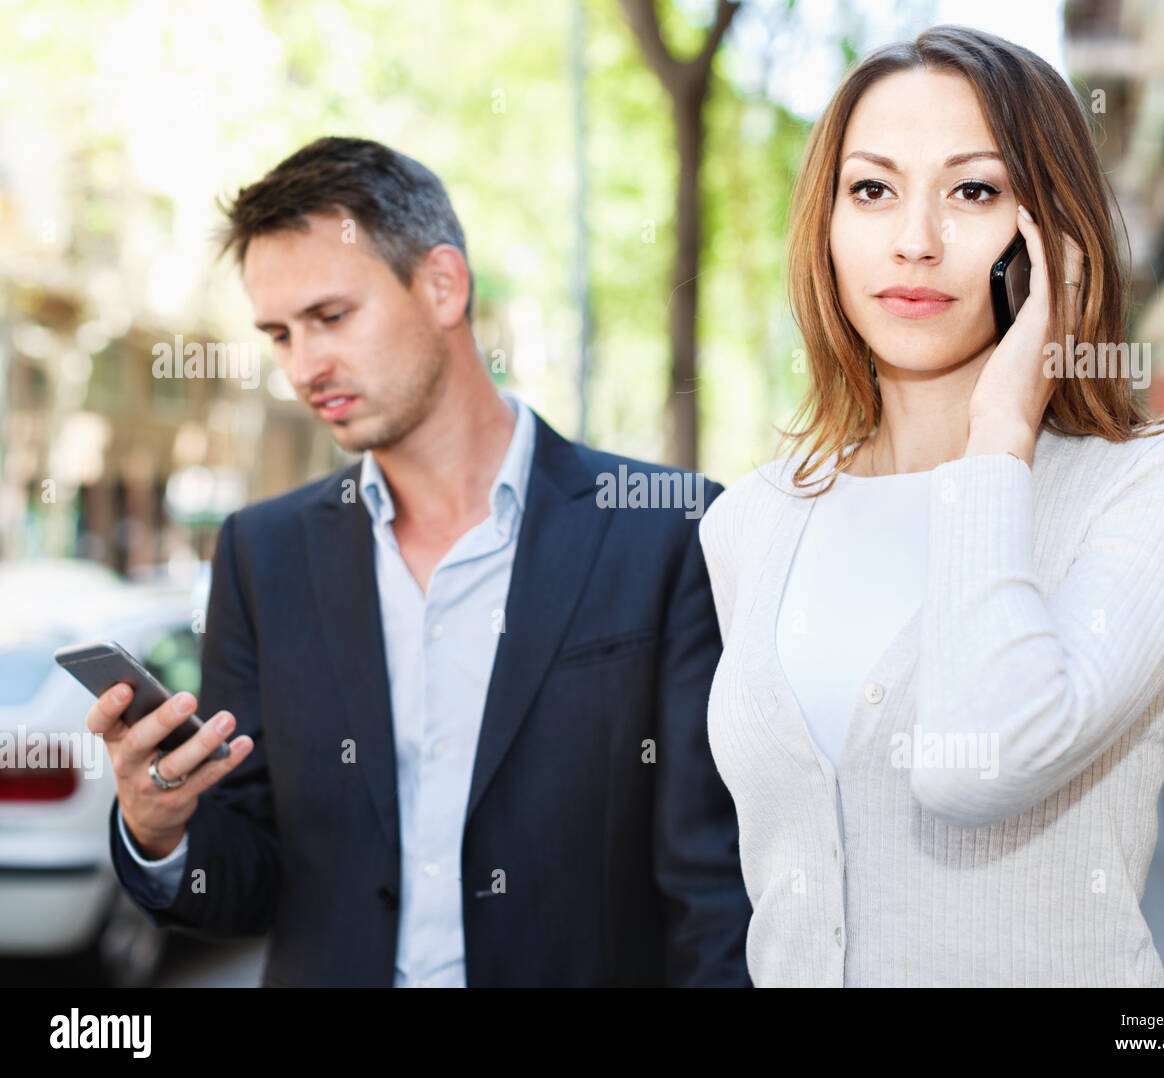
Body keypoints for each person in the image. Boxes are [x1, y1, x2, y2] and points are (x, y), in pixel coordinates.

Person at [85, 136, 751, 987]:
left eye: (331, 317)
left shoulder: (667, 531)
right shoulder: (263, 553)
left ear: (443, 284)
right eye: (279, 334)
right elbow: (247, 885)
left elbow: (711, 886)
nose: (304, 366)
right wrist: (161, 829)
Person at [698, 26, 1164, 987]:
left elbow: (978, 767)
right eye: (872, 190)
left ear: (1053, 239)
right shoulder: (749, 521)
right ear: (825, 227)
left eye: (974, 190)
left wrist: (1002, 430)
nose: (915, 240)